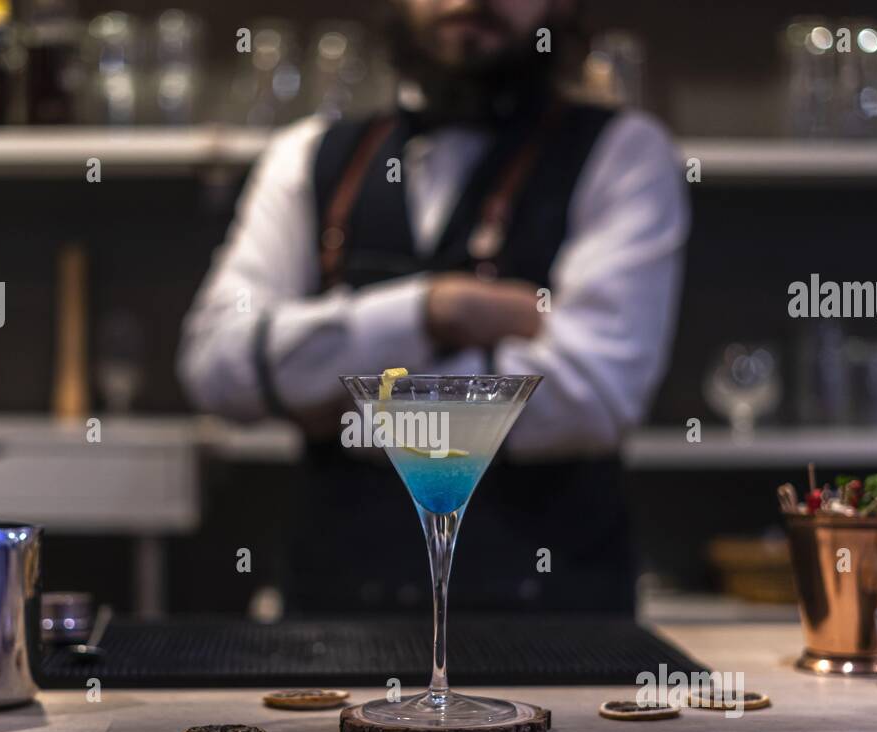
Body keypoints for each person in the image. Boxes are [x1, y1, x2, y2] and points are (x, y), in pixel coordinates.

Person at [179, 0, 689, 614]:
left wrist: (333, 399)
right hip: (330, 619)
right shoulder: (305, 154)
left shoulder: (625, 151)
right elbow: (217, 367)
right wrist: (438, 309)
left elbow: (600, 393)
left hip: (557, 621)